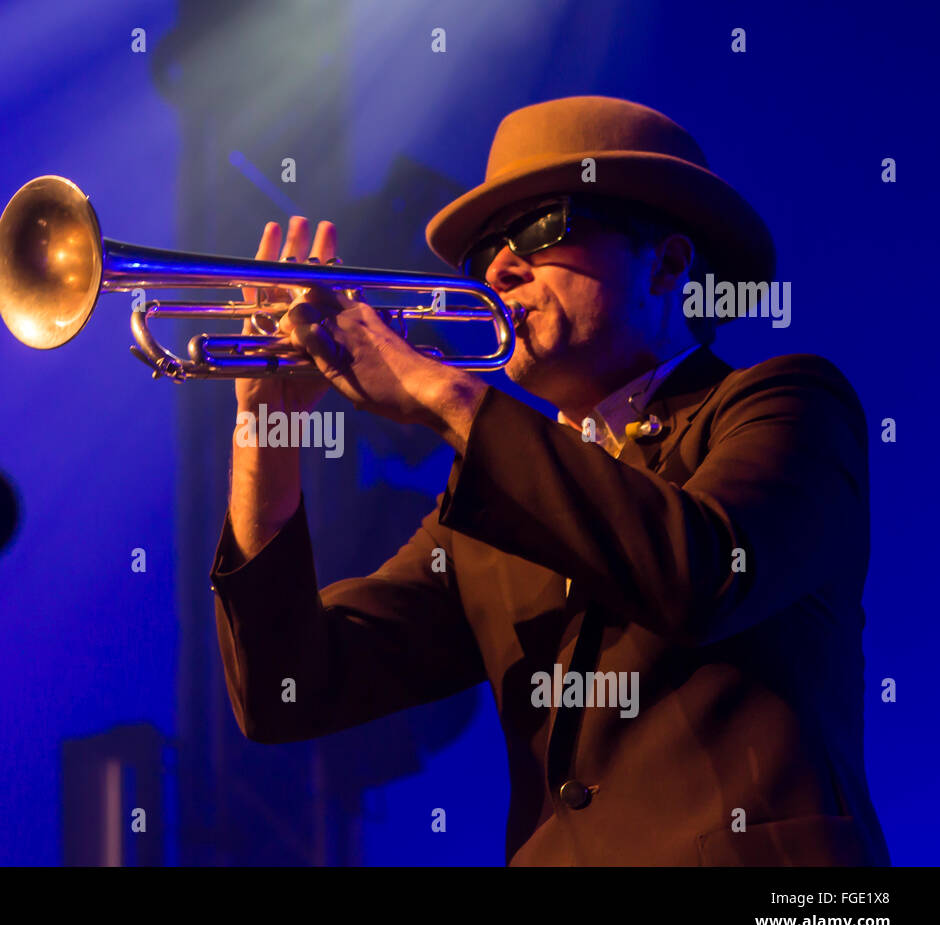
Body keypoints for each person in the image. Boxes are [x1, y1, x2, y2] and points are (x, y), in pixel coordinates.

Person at [209, 95, 889, 866]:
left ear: (666, 264)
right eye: (485, 252)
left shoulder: (786, 403)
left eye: (541, 227)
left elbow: (702, 571)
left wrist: (440, 392)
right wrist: (266, 425)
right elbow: (286, 686)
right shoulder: (485, 502)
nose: (500, 267)